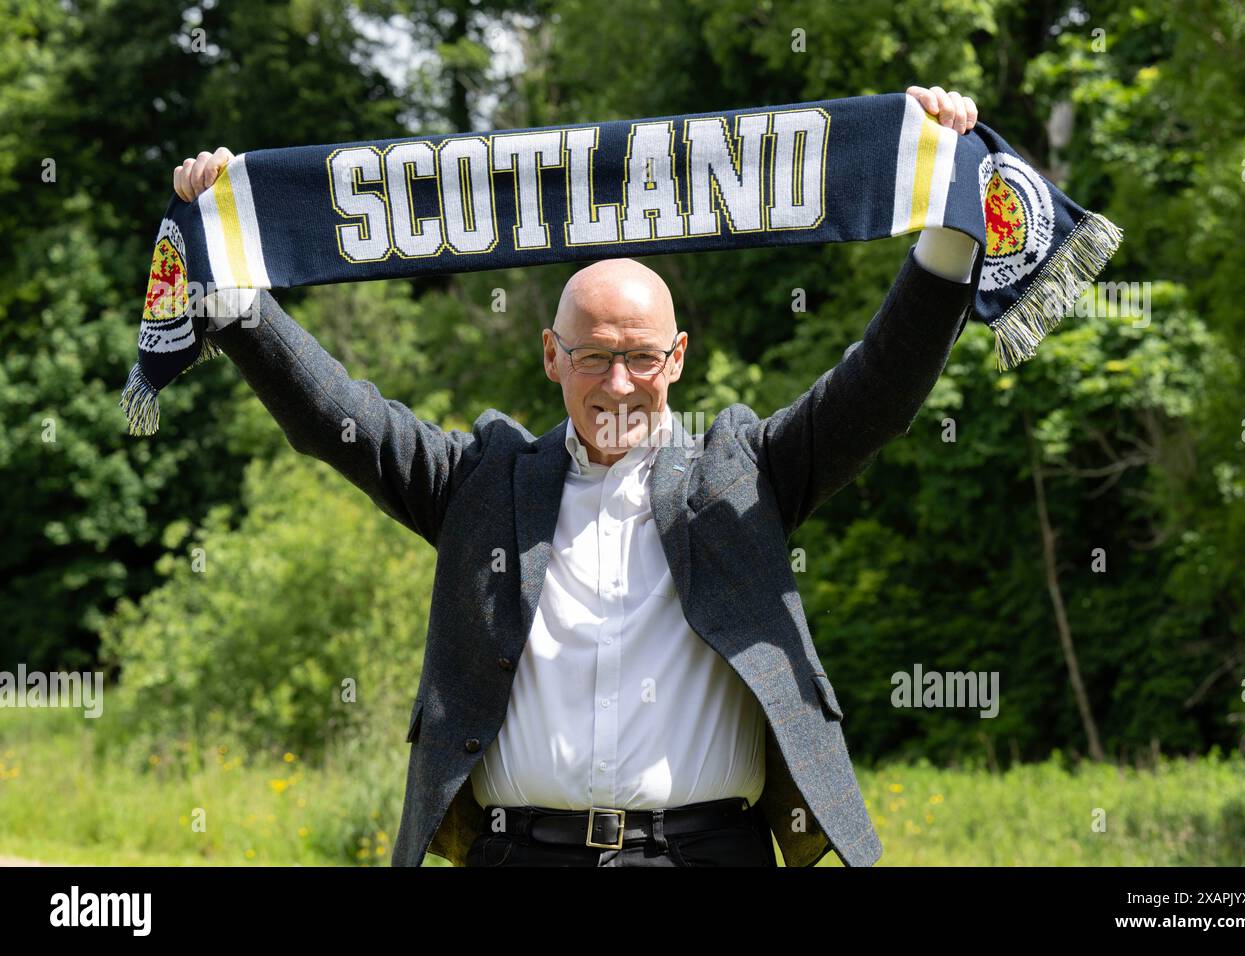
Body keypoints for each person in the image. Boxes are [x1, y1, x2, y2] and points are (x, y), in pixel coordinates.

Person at [174, 85, 982, 867]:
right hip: (517, 856)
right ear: (552, 357)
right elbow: (338, 418)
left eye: (640, 357)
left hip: (708, 855)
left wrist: (948, 217)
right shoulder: (478, 482)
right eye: (594, 356)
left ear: (678, 358)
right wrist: (225, 277)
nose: (619, 382)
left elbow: (878, 389)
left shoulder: (746, 472)